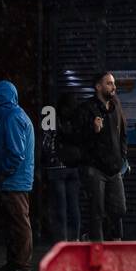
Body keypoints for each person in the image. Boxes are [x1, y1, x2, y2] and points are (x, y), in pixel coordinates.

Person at [0, 80, 36, 271]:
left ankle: (21, 264)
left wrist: (2, 172)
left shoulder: (11, 118)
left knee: (18, 223)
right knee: (16, 222)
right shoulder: (16, 115)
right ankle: (15, 263)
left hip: (13, 180)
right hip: (17, 179)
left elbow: (15, 154)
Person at [78, 72, 128, 241]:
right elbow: (79, 138)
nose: (113, 87)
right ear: (98, 87)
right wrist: (93, 130)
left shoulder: (115, 106)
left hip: (114, 168)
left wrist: (122, 157)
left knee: (119, 208)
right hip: (95, 168)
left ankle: (111, 240)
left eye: (113, 83)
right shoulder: (87, 108)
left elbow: (122, 135)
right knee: (96, 211)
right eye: (109, 83)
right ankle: (97, 247)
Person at [40, 93, 82, 244]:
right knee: (74, 205)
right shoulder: (78, 117)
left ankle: (62, 240)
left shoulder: (52, 117)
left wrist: (45, 160)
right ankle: (75, 239)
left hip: (56, 166)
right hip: (74, 166)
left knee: (60, 207)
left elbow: (46, 143)